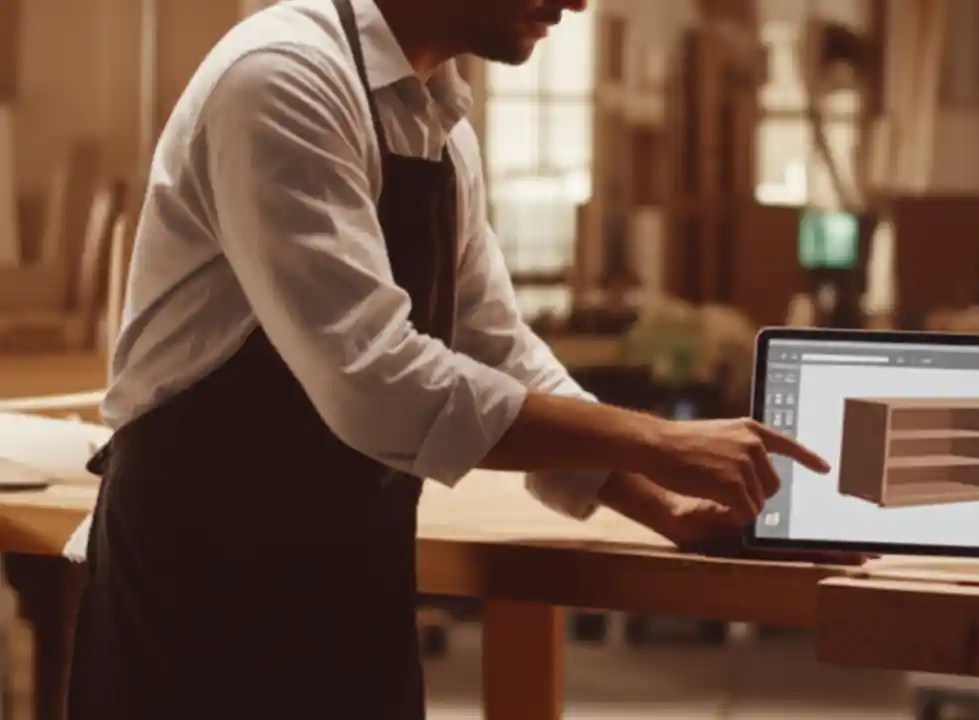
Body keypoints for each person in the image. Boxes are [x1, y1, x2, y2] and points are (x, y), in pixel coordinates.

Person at [66, 0, 861, 718]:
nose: (579, 1)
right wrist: (659, 442)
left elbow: (497, 349)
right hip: (199, 595)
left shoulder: (439, 127)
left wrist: (663, 504)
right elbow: (375, 383)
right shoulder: (281, 82)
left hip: (346, 581)